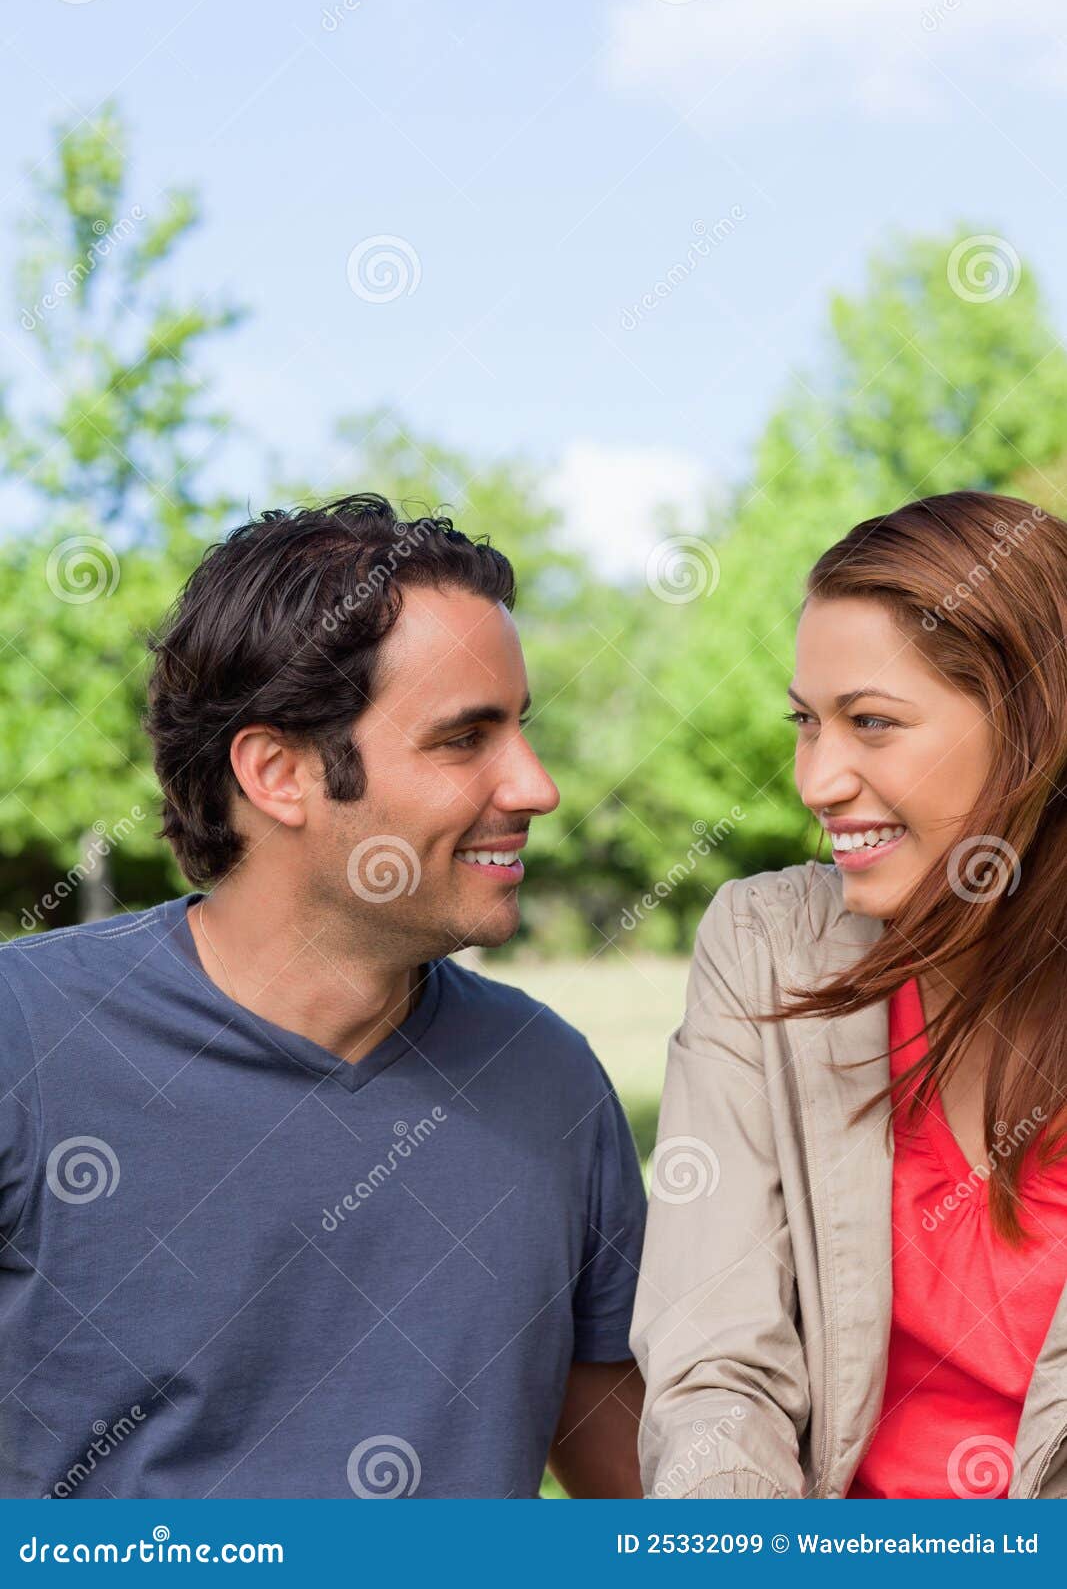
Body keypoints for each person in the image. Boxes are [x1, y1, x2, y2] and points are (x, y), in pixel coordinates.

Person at [0, 493, 646, 1499]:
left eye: (518, 728)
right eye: (462, 738)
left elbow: (646, 1504)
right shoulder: (23, 1039)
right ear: (277, 772)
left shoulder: (550, 1083)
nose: (533, 786)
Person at [632, 489, 1067, 1500]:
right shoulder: (763, 947)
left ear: (1032, 729)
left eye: (870, 722)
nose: (817, 779)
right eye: (806, 723)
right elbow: (714, 1368)